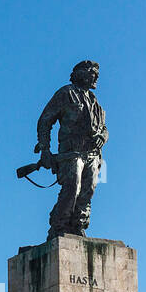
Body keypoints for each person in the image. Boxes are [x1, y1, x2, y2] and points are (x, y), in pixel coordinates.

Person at [35, 60, 108, 239]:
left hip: (92, 154)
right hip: (71, 152)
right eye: (92, 73)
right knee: (72, 188)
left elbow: (104, 128)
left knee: (87, 190)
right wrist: (45, 149)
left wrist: (102, 137)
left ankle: (78, 225)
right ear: (81, 74)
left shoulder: (94, 101)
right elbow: (45, 120)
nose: (96, 77)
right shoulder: (66, 93)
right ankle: (59, 227)